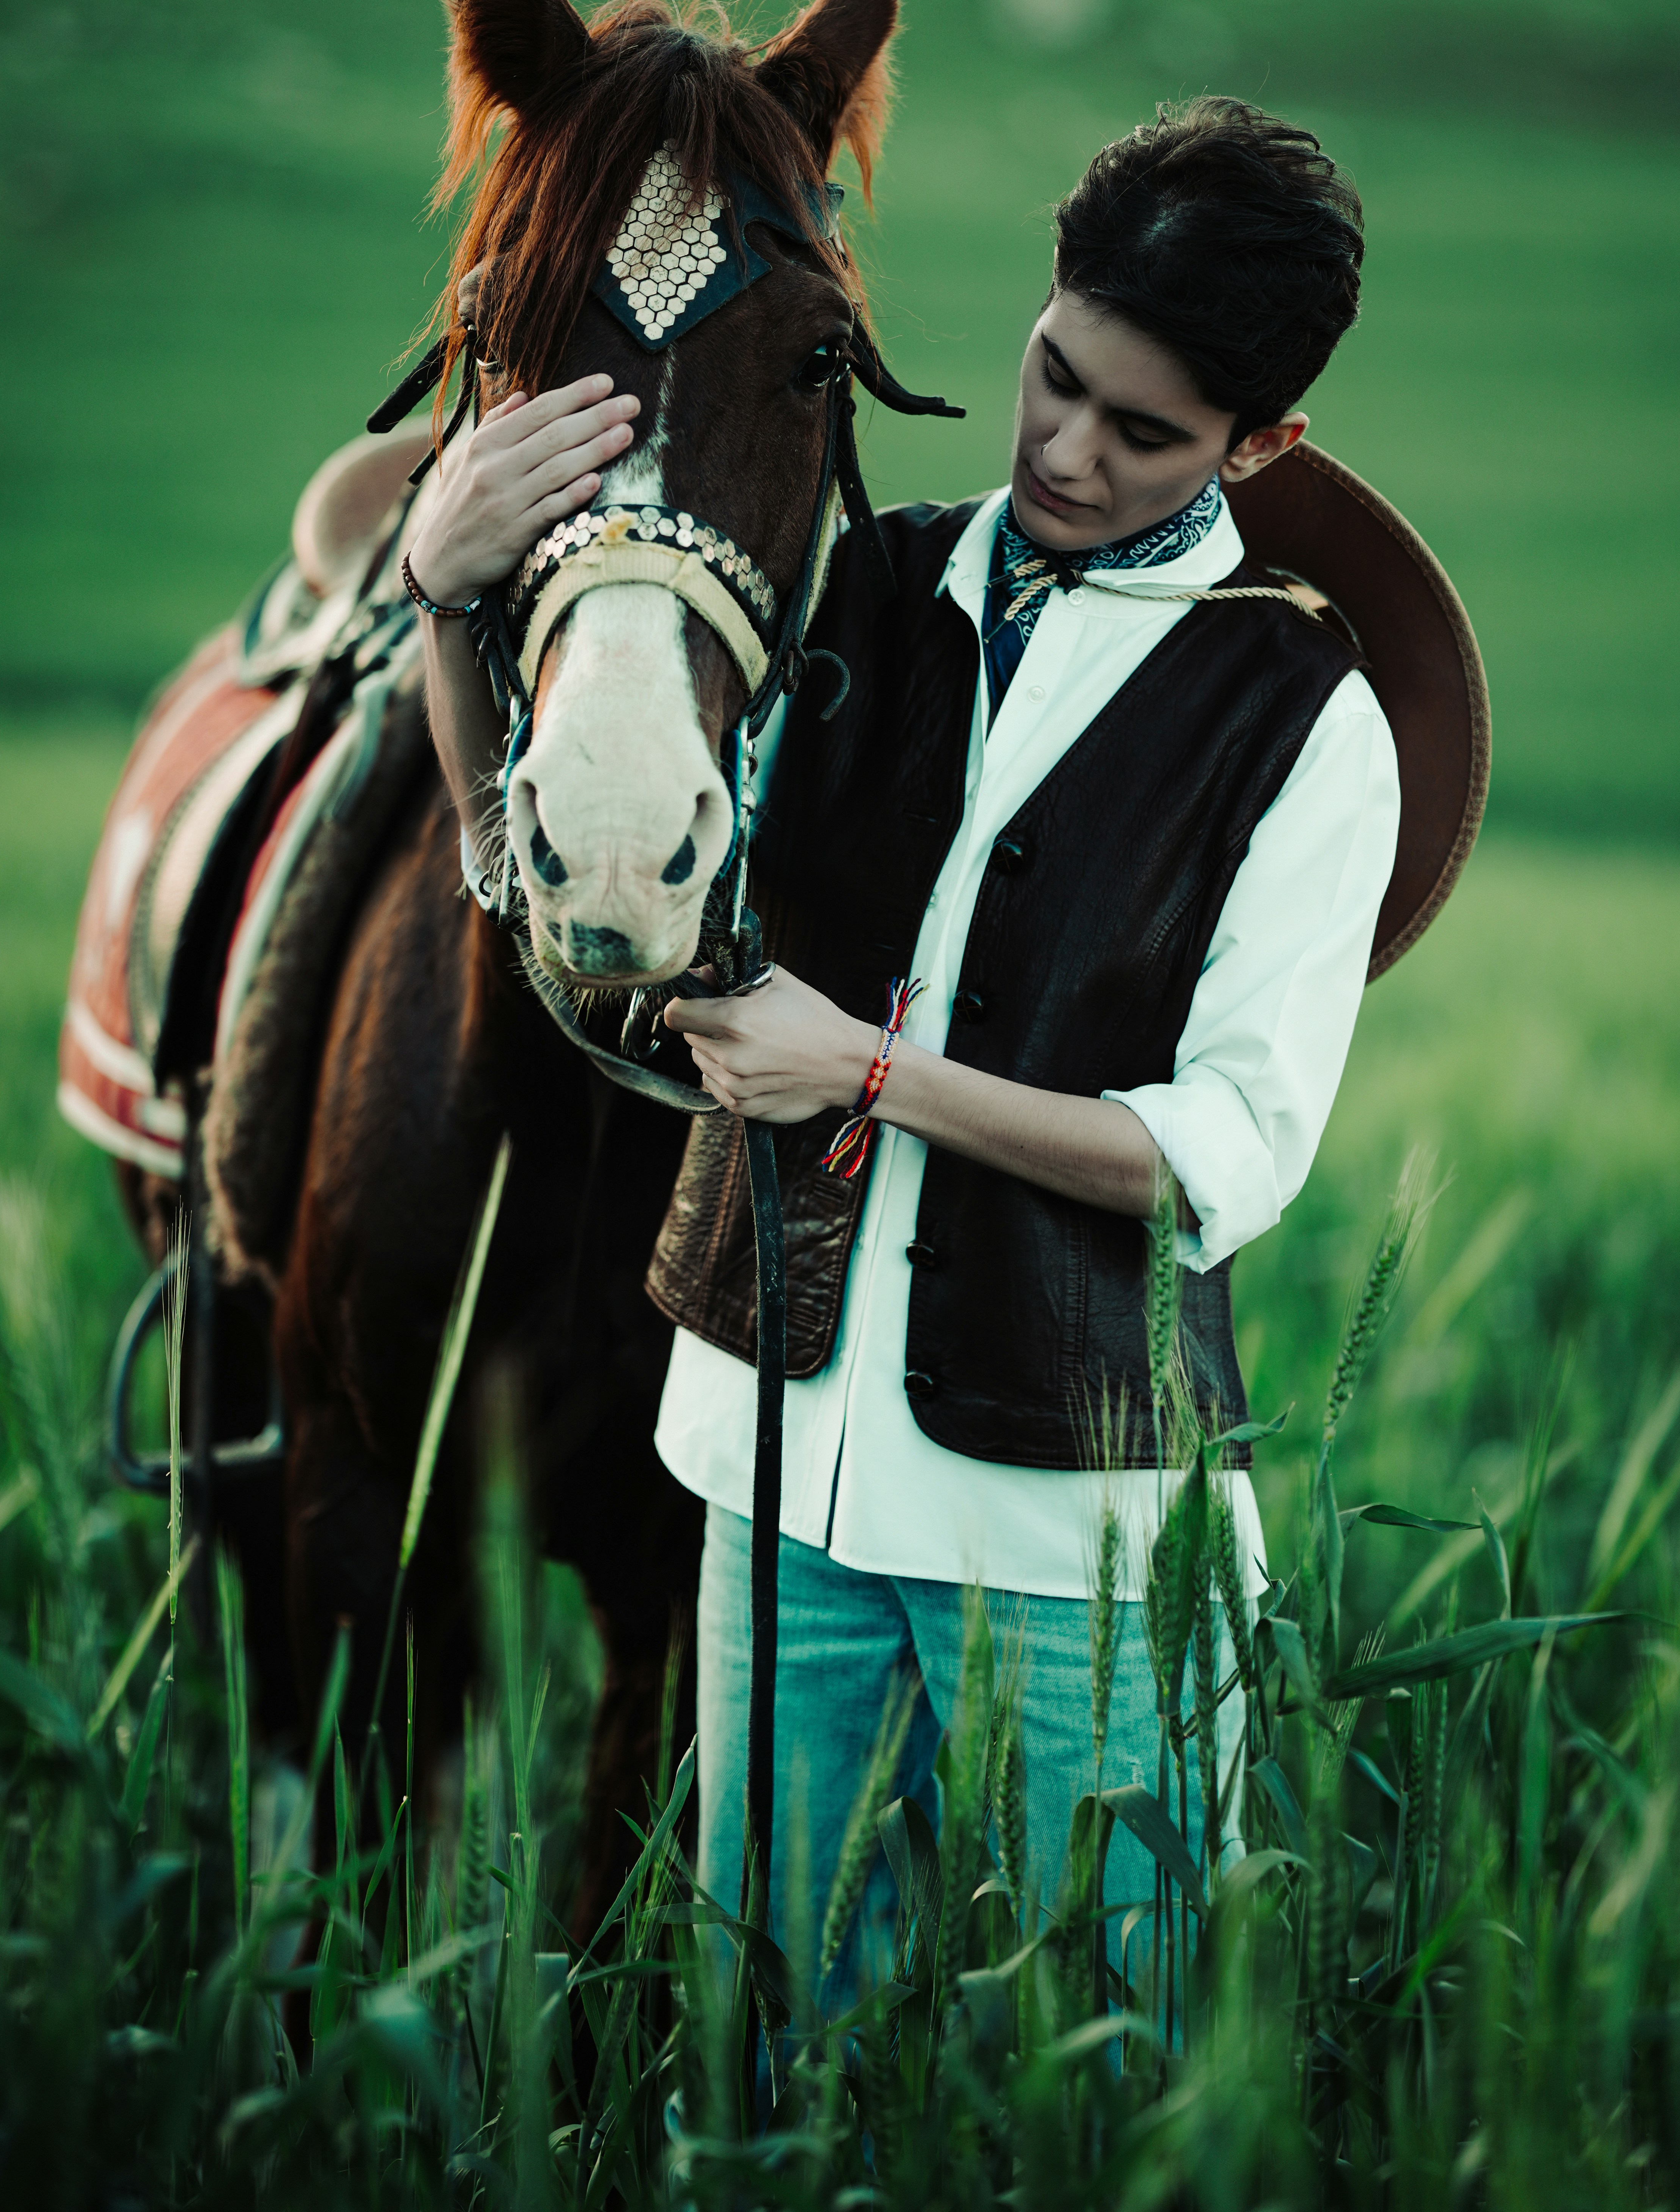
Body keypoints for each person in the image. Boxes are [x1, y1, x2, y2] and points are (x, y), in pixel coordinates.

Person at [413, 97, 1398, 2002]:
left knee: (1115, 2064)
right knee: (765, 2042)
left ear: (1260, 445)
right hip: (767, 1464)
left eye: (1146, 433)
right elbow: (582, 916)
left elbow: (1218, 1164)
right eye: (1056, 380)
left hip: (1079, 1531)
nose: (1068, 452)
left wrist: (866, 1071)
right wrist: (451, 598)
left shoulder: (1304, 714)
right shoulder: (857, 589)